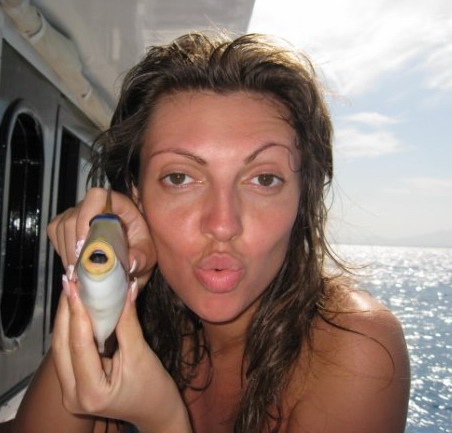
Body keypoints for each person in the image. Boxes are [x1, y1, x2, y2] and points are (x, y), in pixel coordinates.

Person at [0, 32, 410, 433]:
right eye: (180, 178)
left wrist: (163, 419)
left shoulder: (355, 347)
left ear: (302, 199)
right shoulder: (148, 319)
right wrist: (101, 294)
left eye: (264, 179)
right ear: (138, 196)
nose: (222, 224)